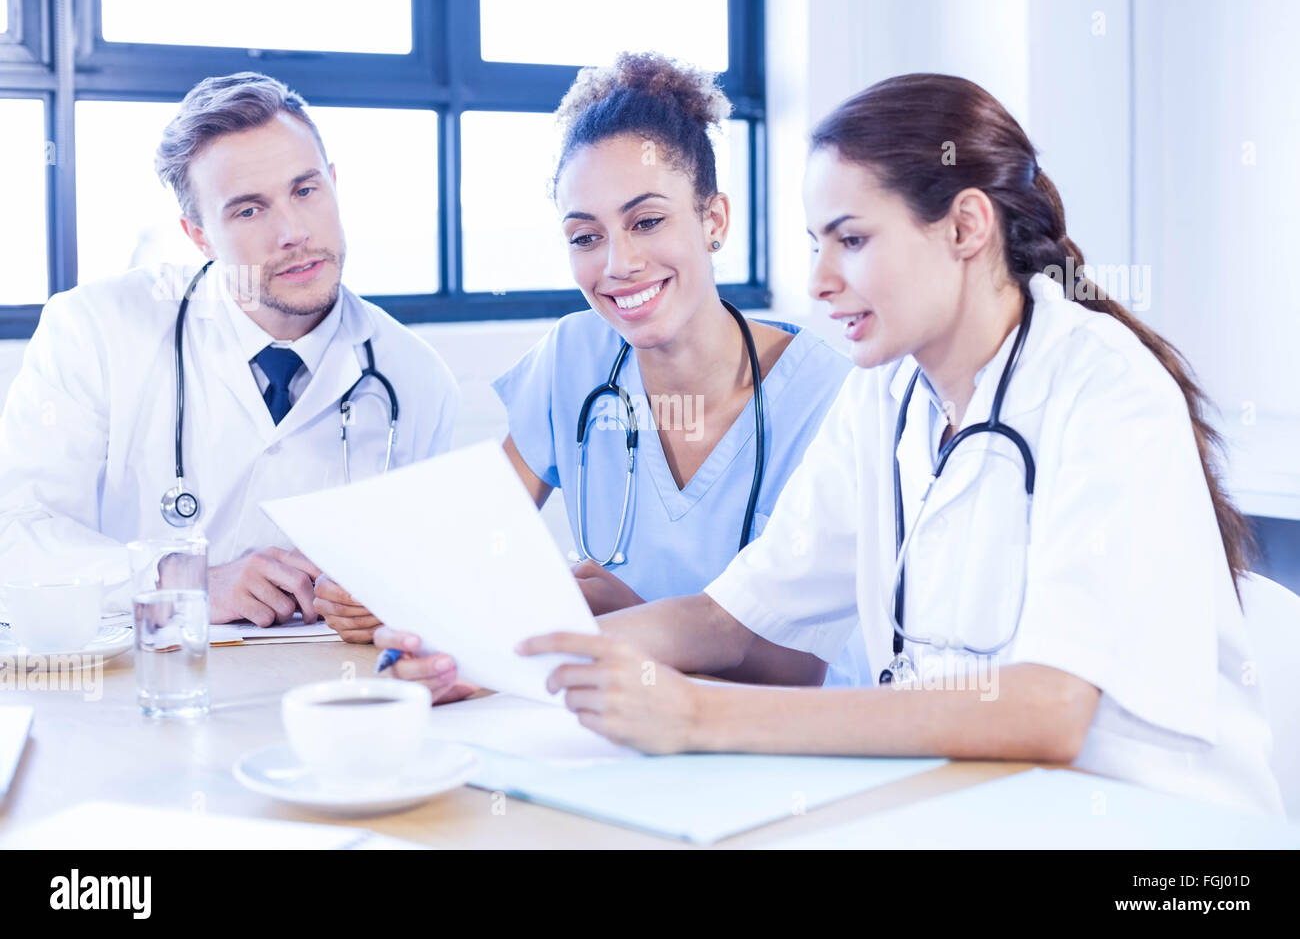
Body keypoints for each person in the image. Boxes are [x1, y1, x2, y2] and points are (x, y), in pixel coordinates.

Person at [506, 73, 1282, 817]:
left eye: (852, 240)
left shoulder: (1107, 390)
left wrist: (699, 713)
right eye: (816, 243)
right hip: (981, 814)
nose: (818, 281)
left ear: (966, 228)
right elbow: (732, 618)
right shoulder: (885, 396)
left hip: (1166, 843)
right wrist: (516, 651)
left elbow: (1048, 710)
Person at [347, 52, 854, 686]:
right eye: (586, 237)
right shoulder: (575, 357)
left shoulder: (829, 397)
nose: (619, 263)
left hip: (788, 749)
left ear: (713, 219)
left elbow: (801, 668)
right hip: (614, 725)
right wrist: (392, 592)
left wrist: (633, 625)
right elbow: (478, 546)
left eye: (647, 221)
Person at [0, 72, 459, 626]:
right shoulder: (96, 329)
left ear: (334, 184)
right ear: (198, 235)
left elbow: (424, 577)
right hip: (146, 685)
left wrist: (390, 600)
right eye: (248, 210)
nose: (293, 231)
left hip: (326, 690)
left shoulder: (414, 377)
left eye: (305, 190)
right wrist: (179, 581)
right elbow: (16, 536)